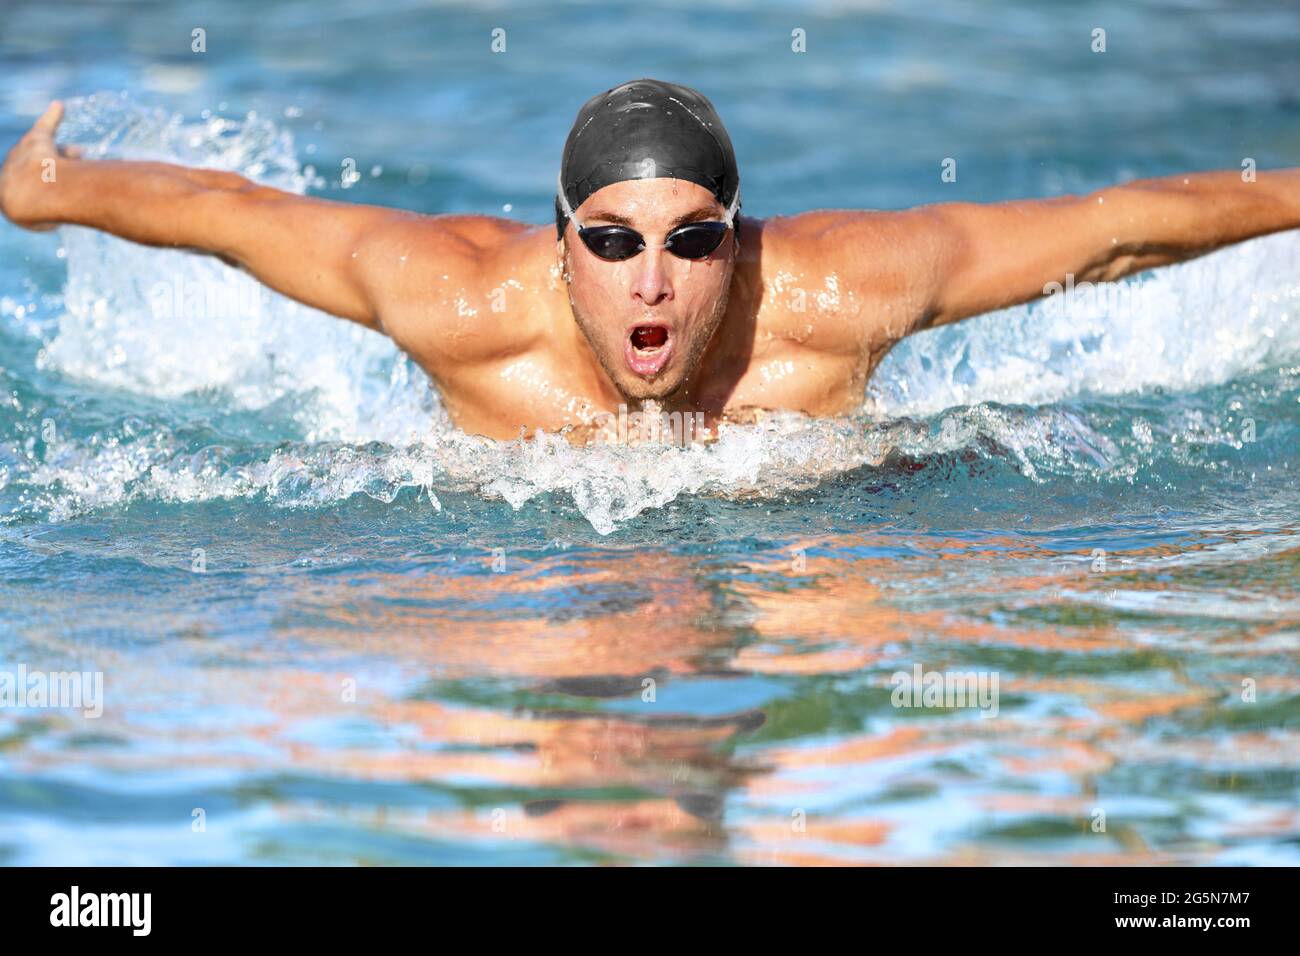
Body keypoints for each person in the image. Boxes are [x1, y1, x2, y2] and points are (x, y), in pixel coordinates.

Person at [2, 78, 1296, 443]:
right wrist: (49, 190)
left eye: (695, 241)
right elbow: (224, 210)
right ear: (561, 243)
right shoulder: (458, 305)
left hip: (835, 526)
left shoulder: (839, 291)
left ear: (741, 239)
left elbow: (1127, 221)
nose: (654, 282)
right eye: (613, 243)